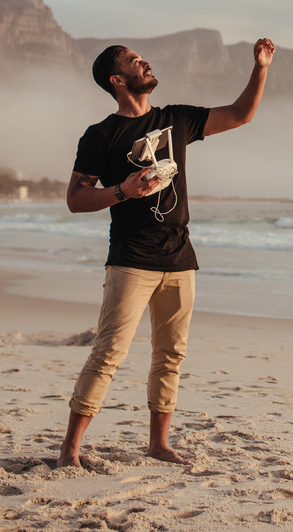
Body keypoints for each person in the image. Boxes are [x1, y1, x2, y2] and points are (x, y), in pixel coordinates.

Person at [58, 38, 275, 469]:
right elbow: (75, 198)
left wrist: (260, 68)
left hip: (179, 257)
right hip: (130, 259)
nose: (146, 62)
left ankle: (158, 444)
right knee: (108, 354)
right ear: (118, 80)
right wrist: (122, 191)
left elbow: (241, 114)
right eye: (135, 61)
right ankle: (69, 450)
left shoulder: (176, 119)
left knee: (170, 355)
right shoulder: (101, 135)